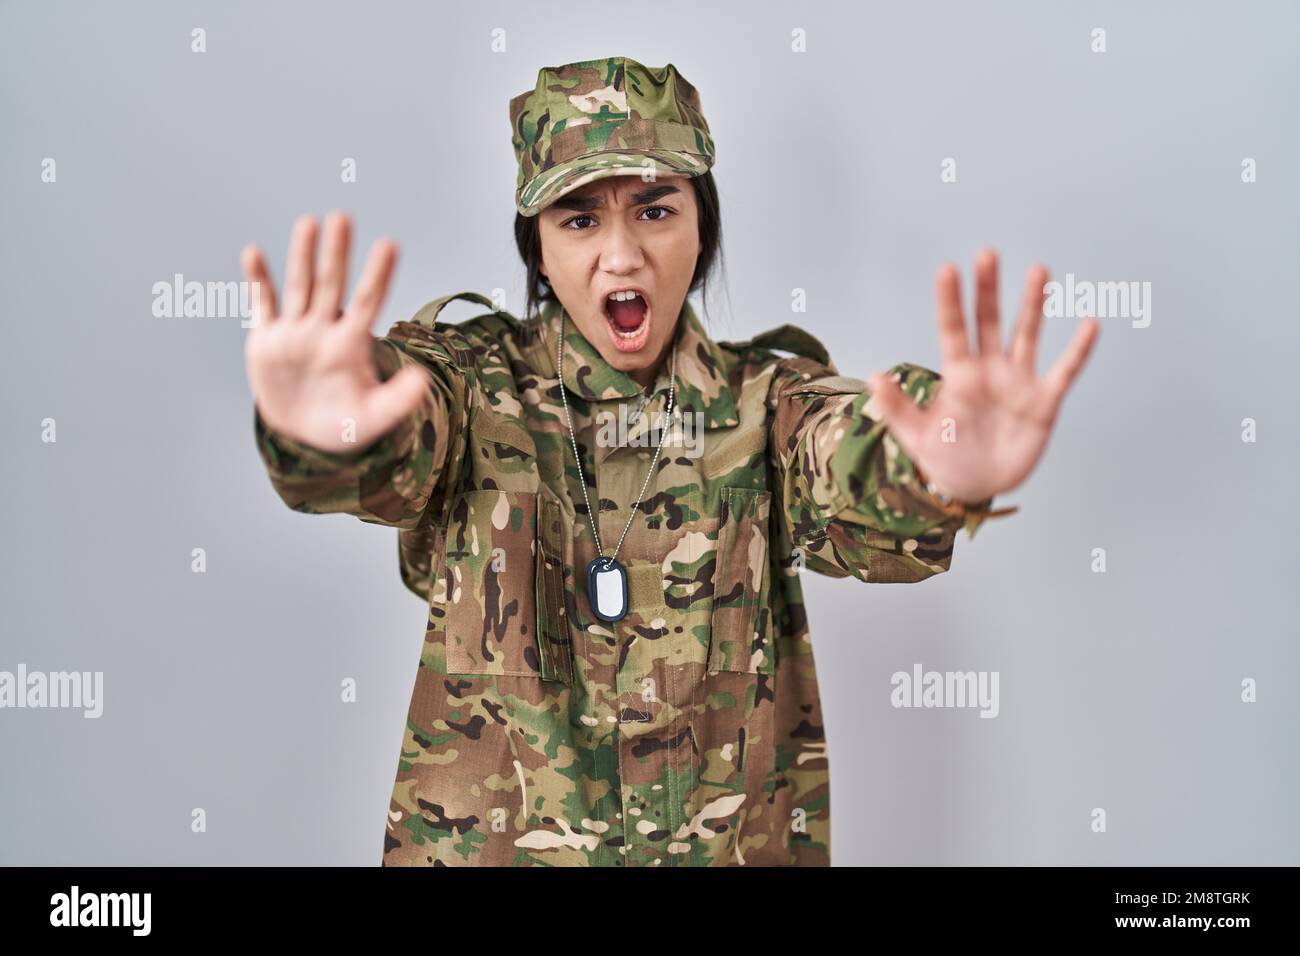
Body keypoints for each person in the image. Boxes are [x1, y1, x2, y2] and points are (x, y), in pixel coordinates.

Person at [240, 56, 1098, 866]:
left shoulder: (764, 401)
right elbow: (396, 435)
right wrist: (331, 429)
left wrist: (938, 459)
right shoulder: (474, 386)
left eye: (656, 208)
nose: (622, 255)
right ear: (538, 248)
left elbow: (849, 456)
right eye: (580, 218)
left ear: (701, 229)